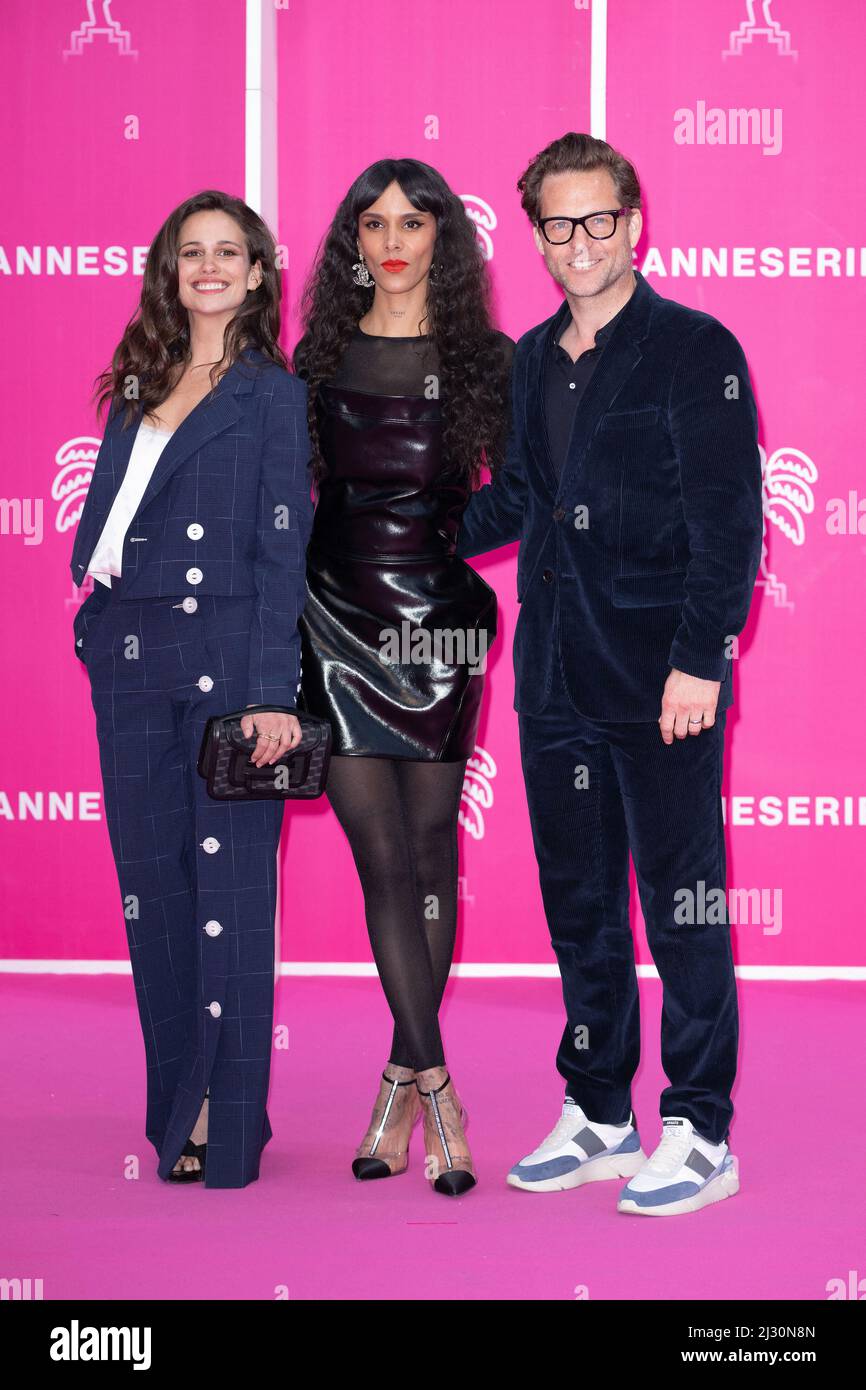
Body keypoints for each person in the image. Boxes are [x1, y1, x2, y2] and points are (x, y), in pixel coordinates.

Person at [456, 133, 764, 1216]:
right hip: (555, 677)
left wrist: (699, 662)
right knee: (578, 903)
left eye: (597, 220)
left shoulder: (694, 348)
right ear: (534, 235)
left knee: (680, 904)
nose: (578, 241)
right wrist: (394, 529)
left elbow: (729, 528)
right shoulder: (530, 360)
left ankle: (698, 1126)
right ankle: (597, 1110)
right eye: (557, 224)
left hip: (660, 682)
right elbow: (516, 504)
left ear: (633, 223)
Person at [70, 190, 314, 1187]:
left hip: (226, 661)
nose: (207, 267)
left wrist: (271, 694)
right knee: (154, 895)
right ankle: (177, 1100)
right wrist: (92, 616)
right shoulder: (140, 377)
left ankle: (229, 1111)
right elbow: (112, 513)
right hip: (127, 656)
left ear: (258, 273)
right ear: (170, 272)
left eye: (227, 252)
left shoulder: (273, 396)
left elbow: (277, 552)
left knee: (231, 895)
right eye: (189, 253)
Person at [293, 158, 513, 1196]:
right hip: (331, 617)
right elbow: (289, 503)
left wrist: (444, 557)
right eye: (371, 223)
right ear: (351, 242)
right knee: (382, 858)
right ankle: (438, 1090)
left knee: (431, 848)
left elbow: (517, 497)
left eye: (410, 223)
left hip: (436, 625)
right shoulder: (317, 357)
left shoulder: (482, 360)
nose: (390, 240)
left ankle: (395, 1079)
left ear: (441, 239)